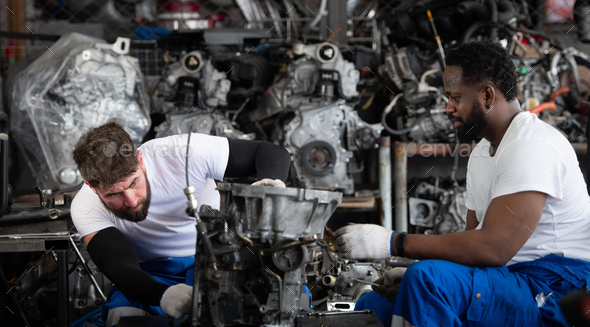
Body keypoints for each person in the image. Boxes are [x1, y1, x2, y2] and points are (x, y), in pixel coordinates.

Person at [336, 41, 590, 327]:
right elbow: (473, 245)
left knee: (427, 282)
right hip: (509, 279)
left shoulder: (530, 144)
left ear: (486, 95)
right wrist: (412, 271)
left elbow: (493, 248)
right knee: (372, 304)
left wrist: (393, 242)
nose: (448, 108)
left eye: (455, 97)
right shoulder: (482, 152)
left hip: (556, 289)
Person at [70, 122, 291, 326]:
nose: (131, 200)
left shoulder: (182, 153)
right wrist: (162, 295)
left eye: (133, 183)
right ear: (91, 186)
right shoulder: (85, 206)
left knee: (283, 301)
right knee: (121, 317)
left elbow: (271, 153)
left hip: (221, 261)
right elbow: (119, 266)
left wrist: (269, 187)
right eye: (114, 194)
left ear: (140, 160)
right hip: (150, 275)